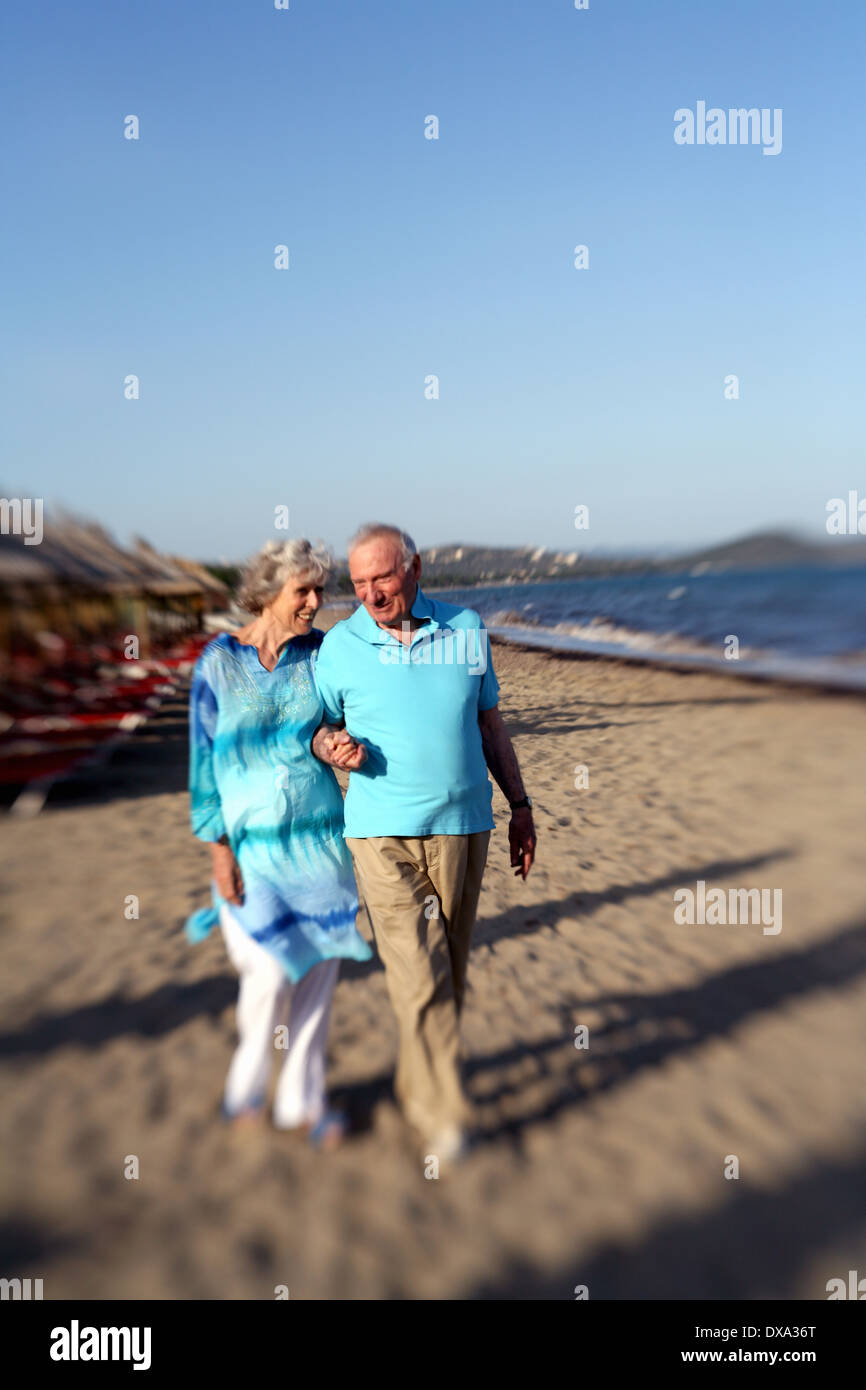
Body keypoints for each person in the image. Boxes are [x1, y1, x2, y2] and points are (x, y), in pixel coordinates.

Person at [311, 523, 536, 1163]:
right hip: (379, 833)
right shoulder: (339, 647)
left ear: (415, 569)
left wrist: (520, 806)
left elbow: (489, 721)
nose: (371, 594)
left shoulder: (465, 628)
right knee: (418, 974)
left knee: (449, 973)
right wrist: (334, 748)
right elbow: (319, 729)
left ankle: (418, 1085)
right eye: (357, 584)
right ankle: (443, 1115)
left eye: (381, 578)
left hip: (465, 823)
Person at [187, 538, 371, 1147]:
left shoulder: (320, 655)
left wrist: (336, 746)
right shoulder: (215, 663)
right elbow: (203, 767)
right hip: (251, 853)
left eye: (321, 589)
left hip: (319, 844)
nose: (317, 602)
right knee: (267, 973)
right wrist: (218, 852)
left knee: (317, 975)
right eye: (305, 591)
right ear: (267, 594)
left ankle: (302, 1101)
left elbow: (325, 730)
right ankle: (246, 1088)